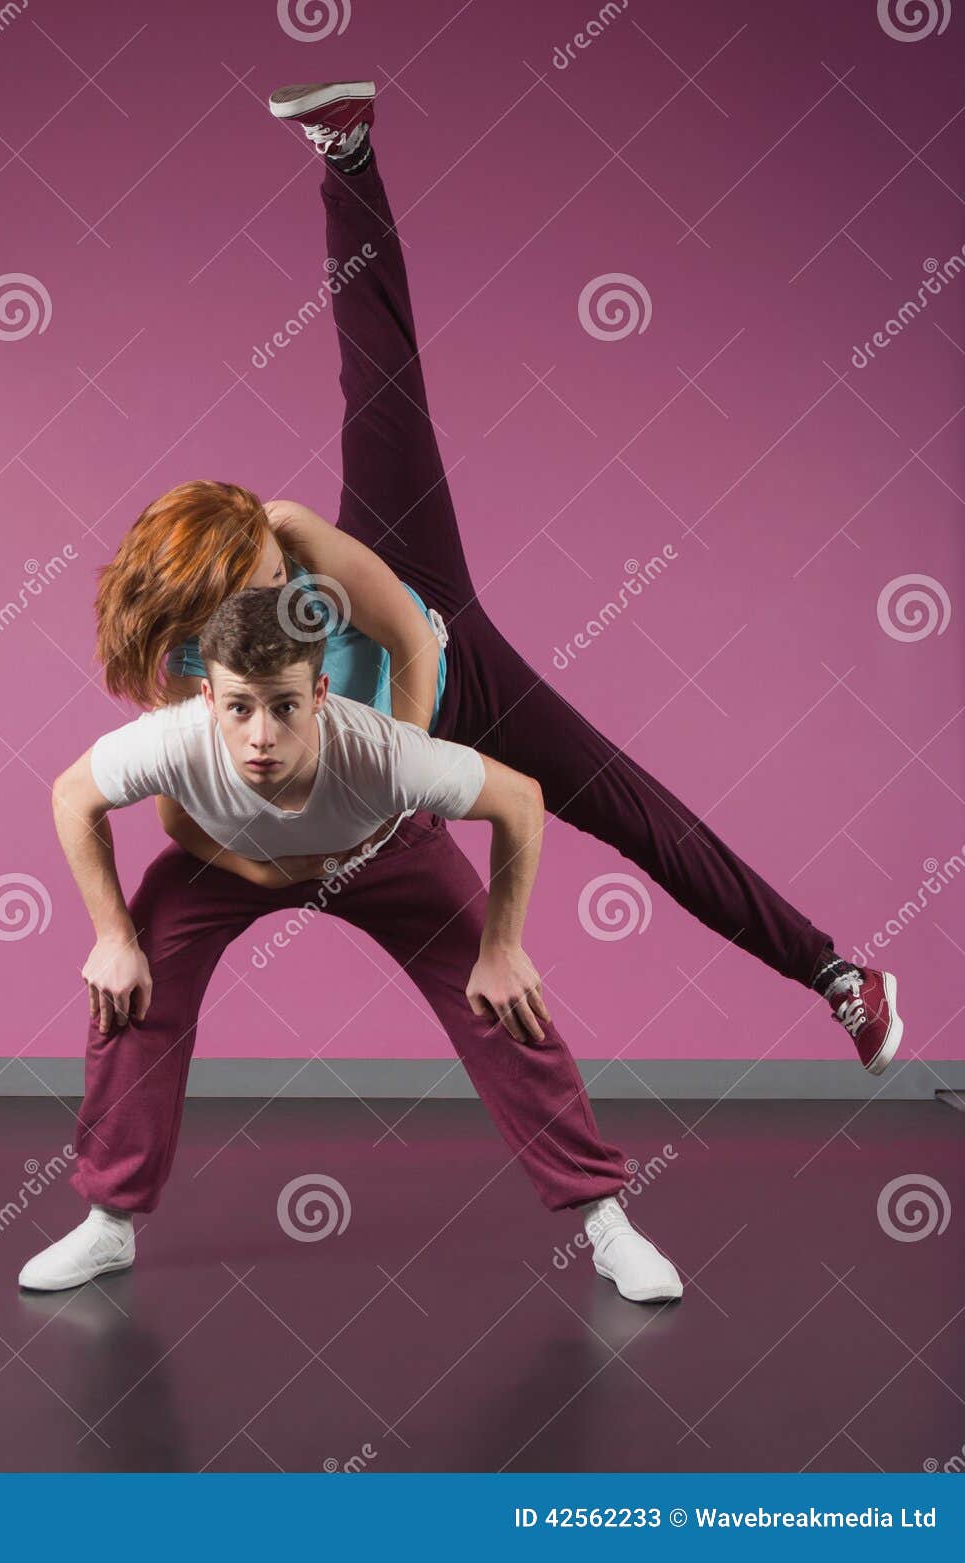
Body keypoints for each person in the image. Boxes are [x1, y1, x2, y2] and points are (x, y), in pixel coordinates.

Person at [92, 81, 901, 1075]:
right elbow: (180, 790)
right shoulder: (192, 666)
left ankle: (834, 977)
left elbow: (400, 637)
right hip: (346, 725)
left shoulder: (294, 533)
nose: (277, 569)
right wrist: (267, 845)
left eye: (270, 556)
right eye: (256, 579)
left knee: (380, 381)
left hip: (434, 627)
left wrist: (400, 771)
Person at [19, 586, 683, 1304]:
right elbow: (70, 796)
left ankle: (607, 1219)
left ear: (321, 693)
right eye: (240, 707)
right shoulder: (173, 738)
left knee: (501, 1001)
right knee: (129, 989)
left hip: (382, 856)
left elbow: (519, 799)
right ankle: (109, 1221)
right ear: (208, 697)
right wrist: (114, 937)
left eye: (284, 706)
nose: (262, 737)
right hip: (228, 863)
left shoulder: (380, 752)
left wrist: (504, 943)